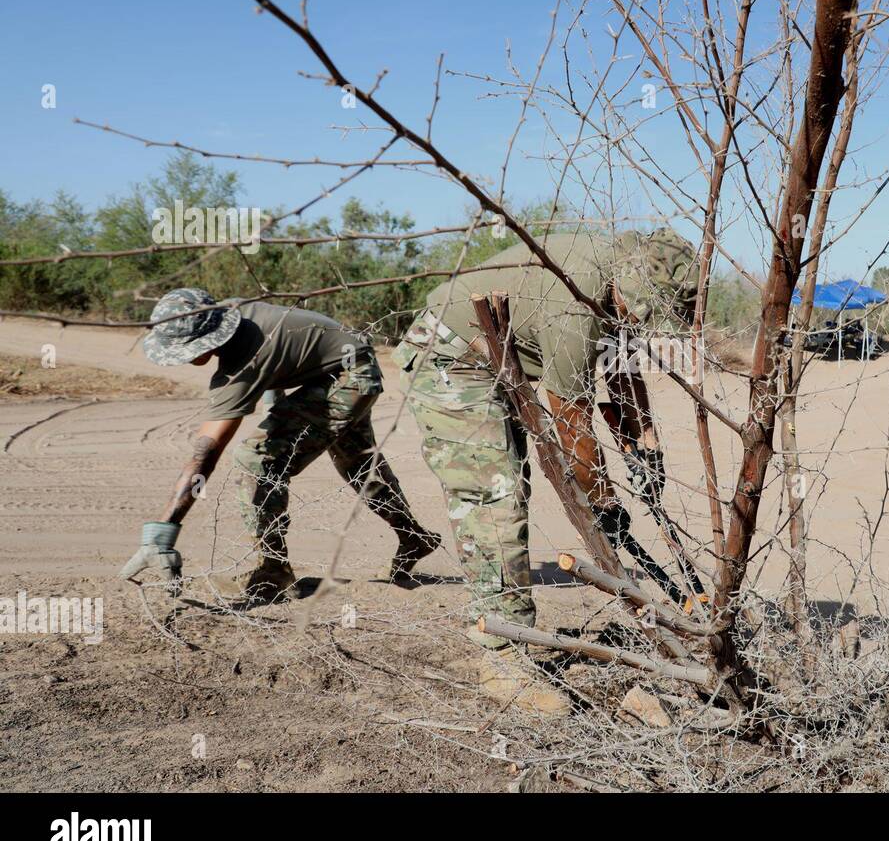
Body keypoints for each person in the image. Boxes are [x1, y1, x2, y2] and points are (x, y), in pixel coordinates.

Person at [392, 228, 697, 708]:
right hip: (451, 355)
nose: (636, 321)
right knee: (496, 494)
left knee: (514, 485)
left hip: (503, 352)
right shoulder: (574, 303)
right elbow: (572, 424)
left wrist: (644, 447)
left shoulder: (622, 277)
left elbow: (620, 370)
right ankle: (500, 650)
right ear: (624, 288)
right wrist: (604, 502)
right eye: (637, 311)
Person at [120, 288, 441, 604]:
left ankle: (273, 569)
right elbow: (286, 348)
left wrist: (163, 533)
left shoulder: (243, 363)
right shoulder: (232, 312)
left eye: (185, 349)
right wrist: (277, 397)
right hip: (343, 365)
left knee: (256, 459)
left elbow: (206, 454)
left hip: (347, 375)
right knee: (356, 462)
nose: (184, 358)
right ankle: (413, 536)